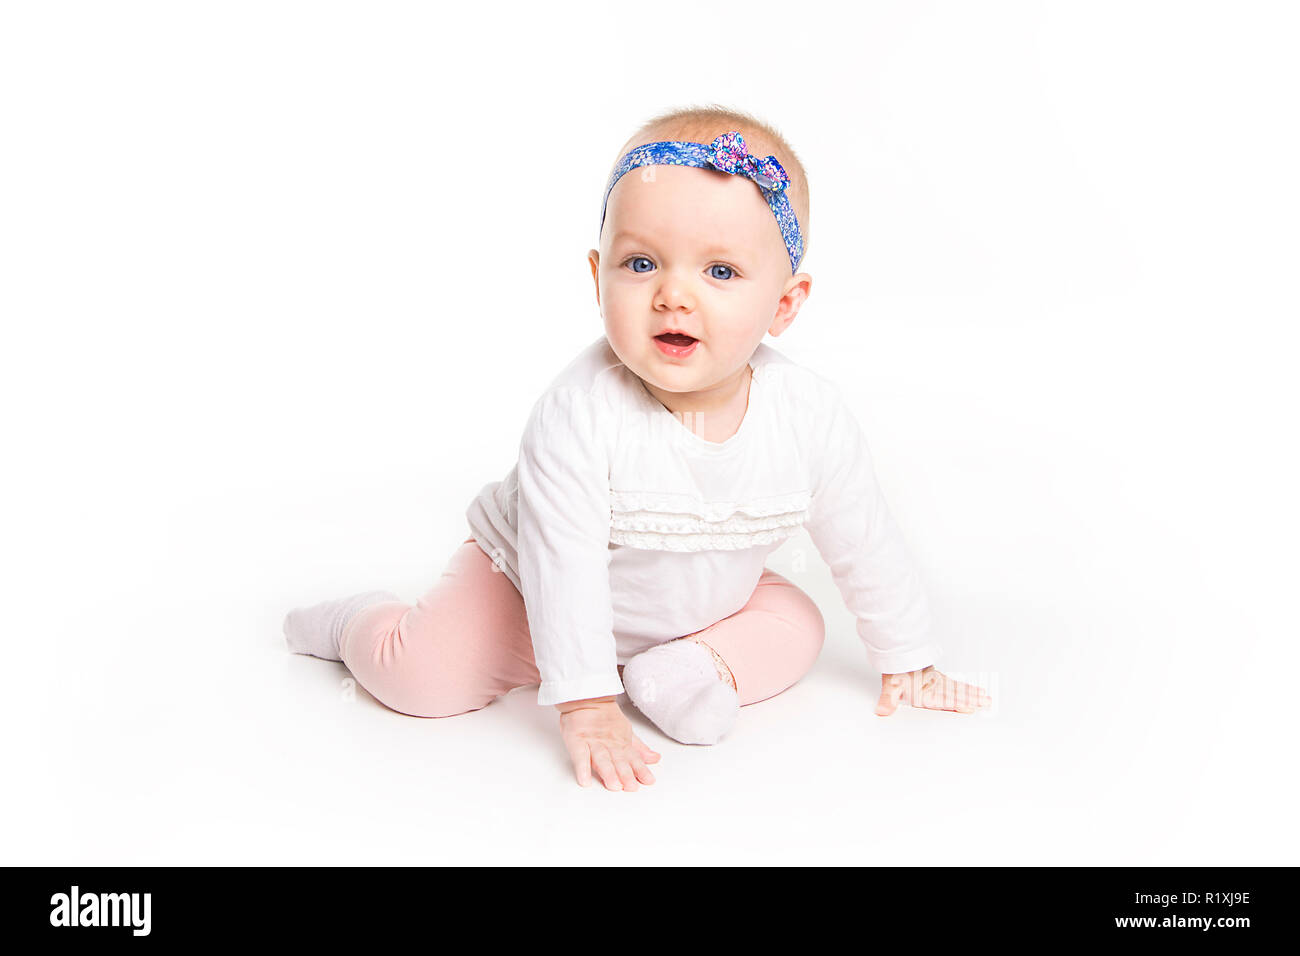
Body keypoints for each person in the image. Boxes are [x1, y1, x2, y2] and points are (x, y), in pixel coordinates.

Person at [283, 105, 991, 793]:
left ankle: (681, 669)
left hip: (698, 600)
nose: (673, 296)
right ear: (598, 278)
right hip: (529, 594)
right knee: (423, 678)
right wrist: (586, 704)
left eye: (720, 273)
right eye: (643, 262)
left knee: (798, 625)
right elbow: (565, 566)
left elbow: (865, 540)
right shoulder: (579, 413)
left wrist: (910, 659)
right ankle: (357, 624)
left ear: (785, 303)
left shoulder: (809, 416)